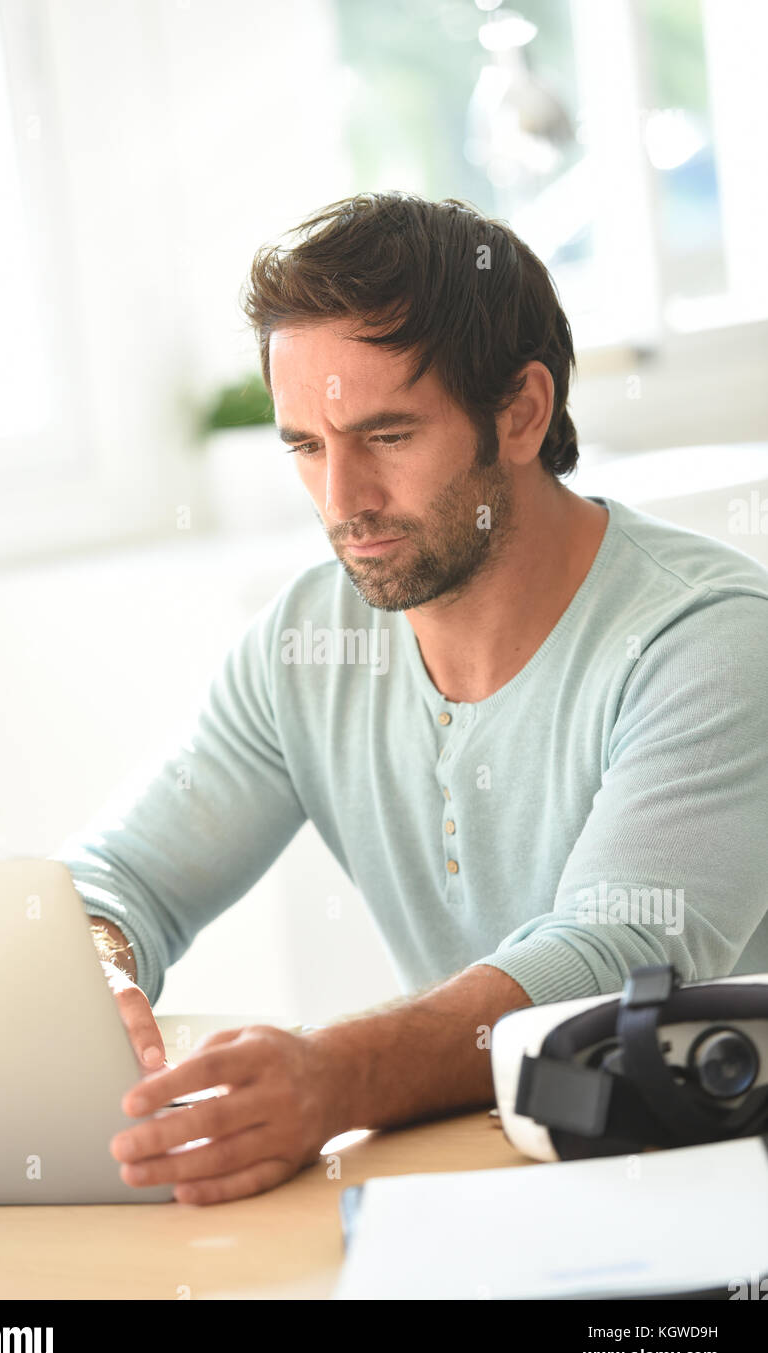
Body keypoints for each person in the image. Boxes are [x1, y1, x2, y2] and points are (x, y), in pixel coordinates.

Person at [55, 192, 768, 1205]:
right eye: (305, 445)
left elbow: (609, 957)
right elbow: (122, 876)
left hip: (709, 1192)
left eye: (385, 435)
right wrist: (100, 965)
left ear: (520, 410)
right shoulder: (309, 639)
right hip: (493, 1181)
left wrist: (336, 1073)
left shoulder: (710, 636)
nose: (342, 502)